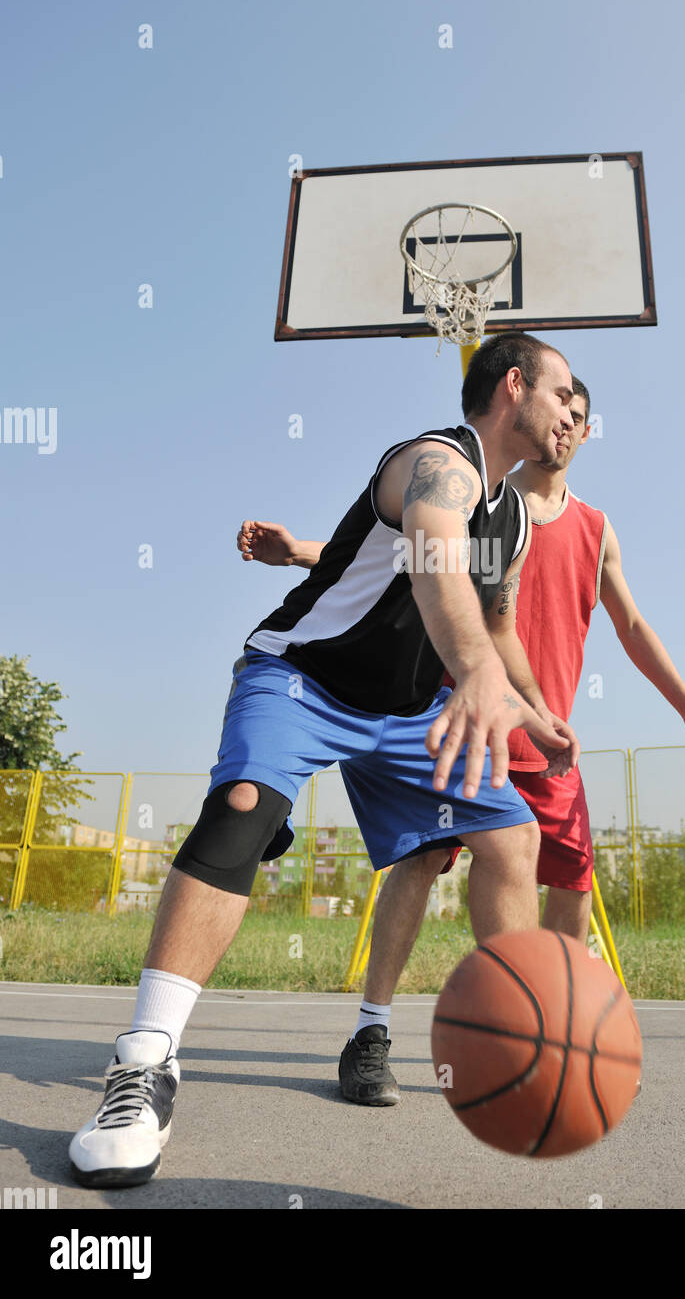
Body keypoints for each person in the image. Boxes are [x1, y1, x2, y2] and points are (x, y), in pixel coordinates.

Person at [68, 332, 582, 1187]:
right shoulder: (435, 463)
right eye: (562, 392)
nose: (572, 411)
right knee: (242, 808)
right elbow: (429, 563)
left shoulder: (515, 514)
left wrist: (529, 710)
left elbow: (492, 623)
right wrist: (483, 678)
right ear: (514, 385)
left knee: (510, 840)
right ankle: (143, 1066)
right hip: (303, 680)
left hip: (412, 713)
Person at [241, 360, 685, 1106]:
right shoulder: (475, 493)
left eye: (578, 409)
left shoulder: (589, 528)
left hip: (541, 728)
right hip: (460, 711)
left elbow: (630, 624)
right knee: (421, 859)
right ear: (523, 398)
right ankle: (371, 1033)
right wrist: (306, 553)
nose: (567, 417)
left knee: (568, 877)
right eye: (560, 399)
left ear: (585, 429)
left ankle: (548, 1027)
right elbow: (413, 549)